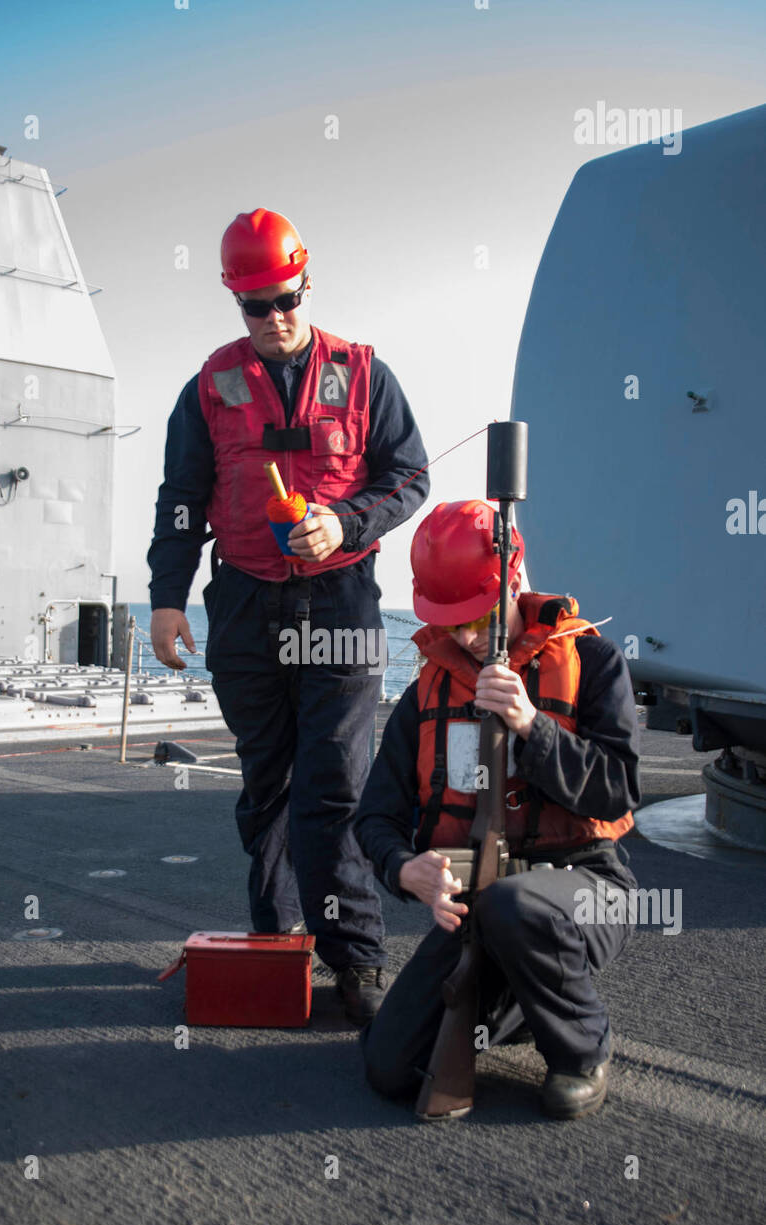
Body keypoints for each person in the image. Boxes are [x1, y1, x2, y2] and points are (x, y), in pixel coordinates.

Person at [147, 208, 429, 1025]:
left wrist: (345, 523)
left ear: (306, 283)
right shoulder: (209, 386)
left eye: (285, 299)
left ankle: (356, 960)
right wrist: (167, 597)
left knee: (334, 788)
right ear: (235, 301)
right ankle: (275, 945)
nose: (273, 319)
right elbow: (180, 501)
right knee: (265, 785)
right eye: (254, 305)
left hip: (339, 600)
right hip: (241, 605)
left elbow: (409, 479)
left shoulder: (366, 375)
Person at [354, 499, 641, 1117]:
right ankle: (520, 1001)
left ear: (513, 583)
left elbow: (617, 789)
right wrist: (403, 868)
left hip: (586, 886)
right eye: (448, 621)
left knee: (517, 905)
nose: (462, 636)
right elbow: (374, 815)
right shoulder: (425, 690)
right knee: (387, 1065)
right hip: (479, 904)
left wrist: (532, 727)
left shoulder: (593, 662)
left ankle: (582, 1051)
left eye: (476, 617)